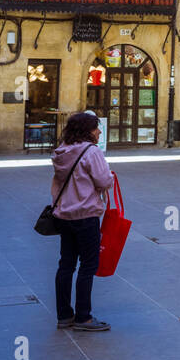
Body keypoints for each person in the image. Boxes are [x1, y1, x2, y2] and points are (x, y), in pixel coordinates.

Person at [51, 111, 114, 331]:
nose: (99, 131)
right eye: (96, 127)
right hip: (86, 215)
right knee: (88, 265)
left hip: (65, 214)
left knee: (66, 264)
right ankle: (83, 317)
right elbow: (104, 180)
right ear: (87, 130)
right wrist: (111, 176)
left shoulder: (61, 152)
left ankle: (64, 315)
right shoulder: (91, 151)